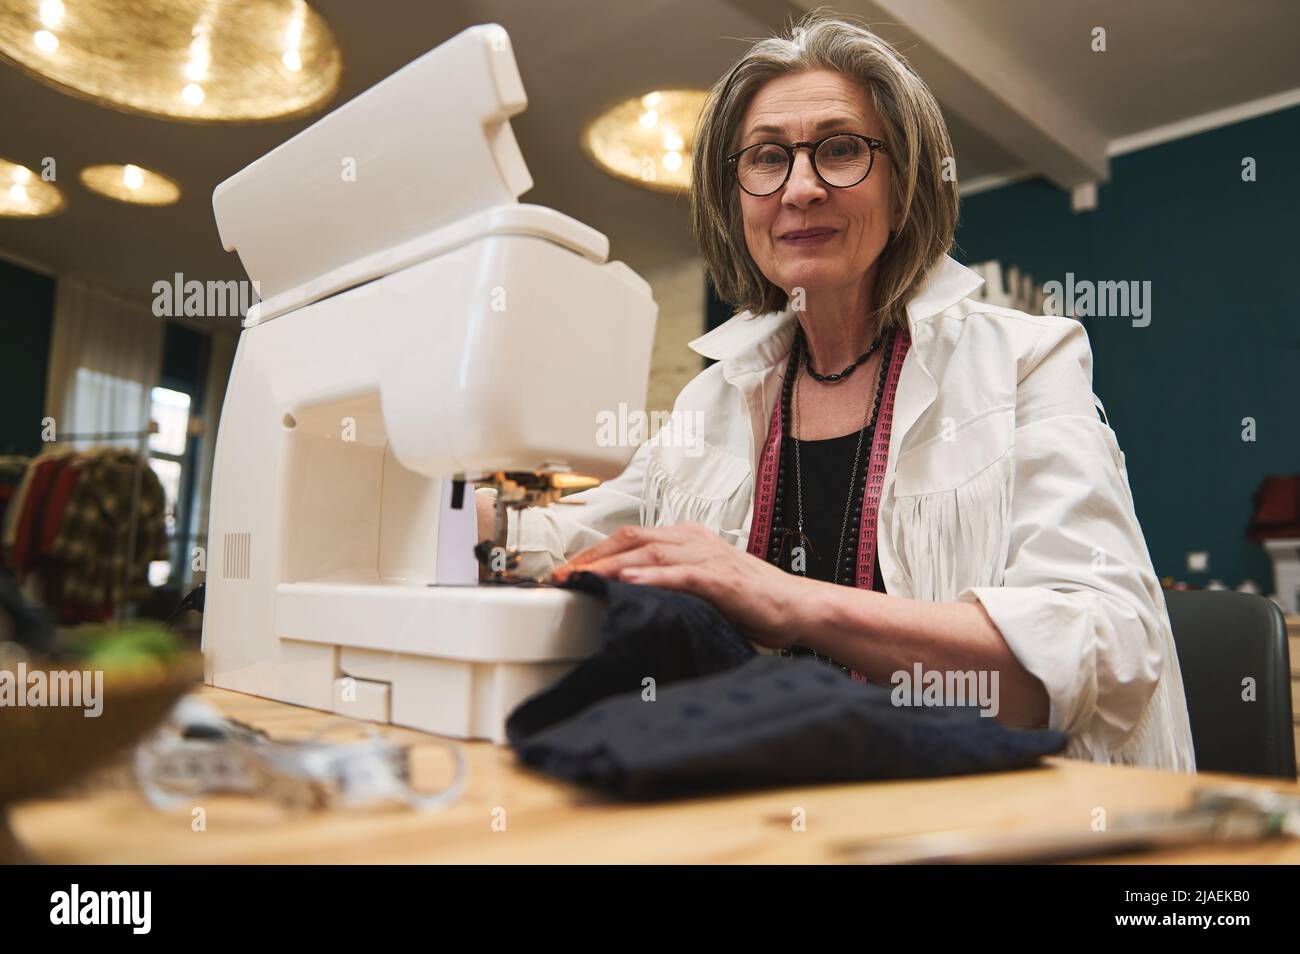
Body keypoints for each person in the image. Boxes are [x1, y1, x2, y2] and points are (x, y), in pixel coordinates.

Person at [477, 12, 1194, 771]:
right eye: (766, 159)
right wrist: (420, 495)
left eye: (841, 149)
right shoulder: (712, 403)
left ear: (904, 183)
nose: (802, 188)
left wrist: (789, 601)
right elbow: (570, 540)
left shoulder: (1026, 362)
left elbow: (1103, 652)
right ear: (737, 199)